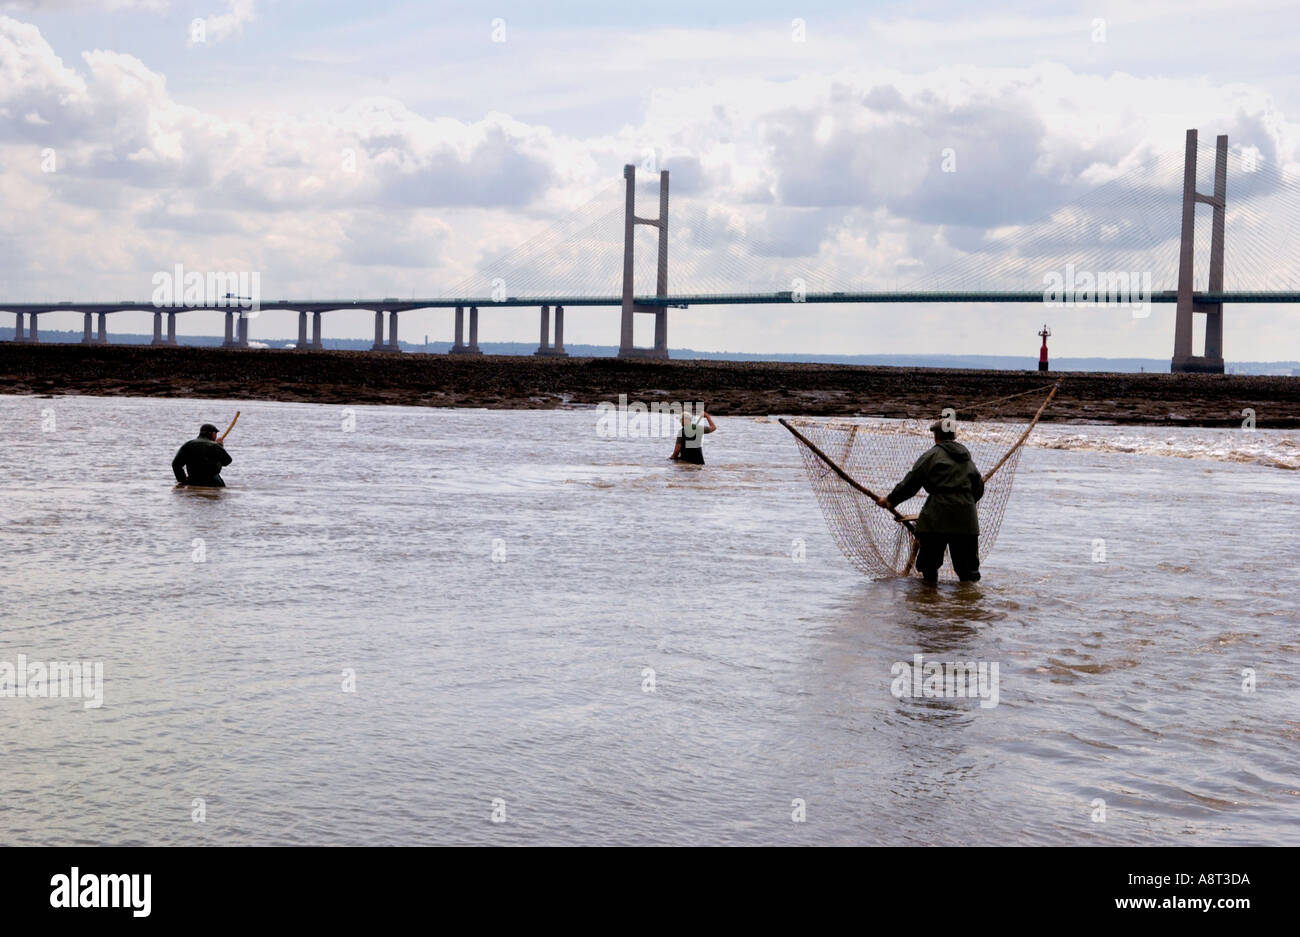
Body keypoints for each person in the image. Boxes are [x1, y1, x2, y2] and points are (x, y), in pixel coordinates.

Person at [876, 420, 984, 584]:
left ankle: (929, 605)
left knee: (928, 568)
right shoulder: (967, 459)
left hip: (936, 519)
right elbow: (978, 489)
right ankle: (967, 606)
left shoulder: (931, 456)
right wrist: (964, 502)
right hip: (966, 520)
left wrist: (890, 500)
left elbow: (911, 484)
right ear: (954, 435)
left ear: (935, 436)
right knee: (968, 573)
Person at [172, 423, 232, 488]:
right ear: (212, 434)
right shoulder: (215, 446)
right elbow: (227, 461)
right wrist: (221, 446)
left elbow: (176, 464)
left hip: (193, 482)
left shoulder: (188, 444)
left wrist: (182, 480)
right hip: (214, 482)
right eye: (216, 434)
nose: (216, 436)